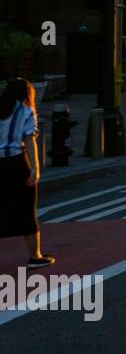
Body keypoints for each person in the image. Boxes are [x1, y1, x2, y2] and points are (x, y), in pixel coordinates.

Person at [0, 78, 54, 268]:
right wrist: (35, 168)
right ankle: (35, 256)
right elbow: (30, 140)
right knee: (26, 210)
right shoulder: (25, 111)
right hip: (15, 163)